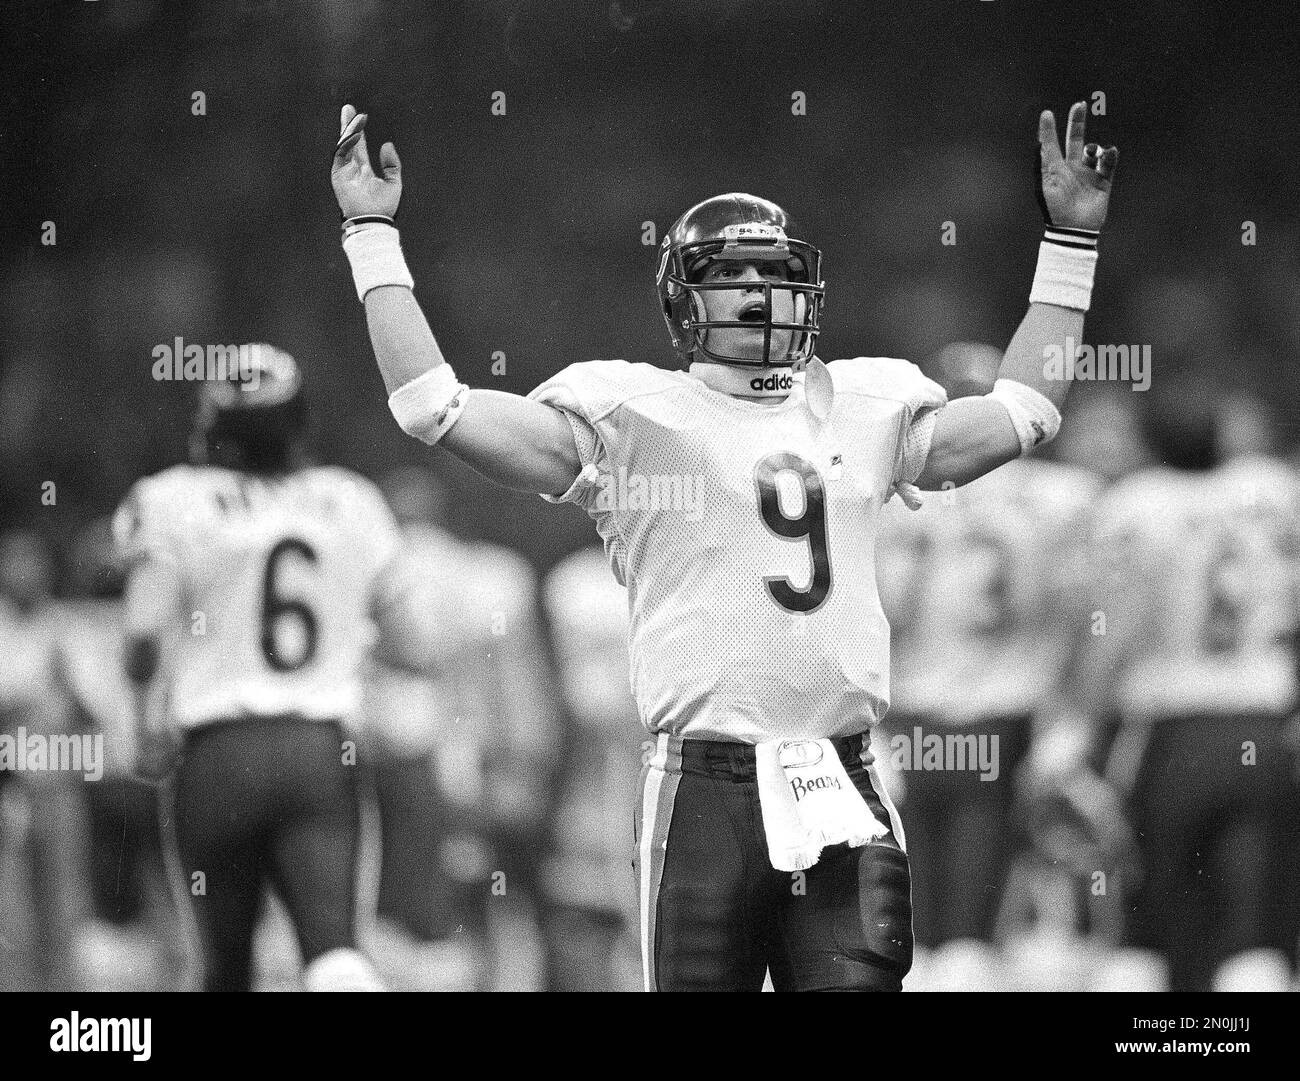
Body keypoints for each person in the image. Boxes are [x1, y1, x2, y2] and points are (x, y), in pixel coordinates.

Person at [329, 101, 1119, 991]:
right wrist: (370, 233)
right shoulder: (631, 414)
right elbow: (432, 404)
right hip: (703, 785)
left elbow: (1025, 411)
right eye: (730, 274)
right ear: (681, 297)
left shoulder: (868, 404)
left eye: (774, 273)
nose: (757, 293)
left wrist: (1070, 244)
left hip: (842, 773)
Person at [114, 344, 420, 991]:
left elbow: (143, 630)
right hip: (317, 751)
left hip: (217, 755)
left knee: (224, 968)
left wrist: (143, 713)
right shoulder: (348, 499)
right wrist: (349, 639)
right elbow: (412, 643)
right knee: (334, 949)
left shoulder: (176, 499)